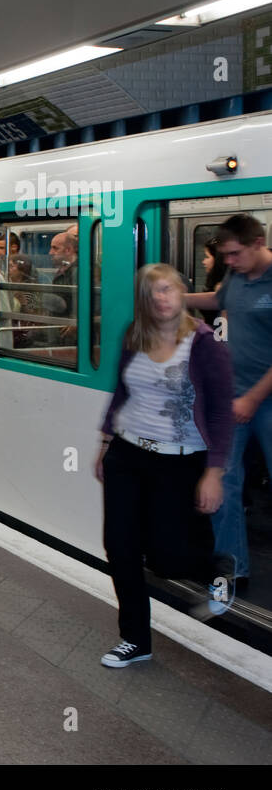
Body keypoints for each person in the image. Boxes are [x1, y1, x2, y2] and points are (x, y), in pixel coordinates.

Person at [96, 264, 233, 667]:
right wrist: (105, 442)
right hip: (127, 453)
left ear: (181, 293)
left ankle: (217, 565)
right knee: (119, 548)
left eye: (168, 289)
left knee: (167, 558)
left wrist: (214, 472)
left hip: (179, 462)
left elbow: (223, 414)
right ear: (143, 298)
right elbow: (121, 391)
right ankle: (135, 639)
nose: (161, 298)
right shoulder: (134, 336)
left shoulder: (205, 344)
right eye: (152, 292)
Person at [185, 213, 272, 589]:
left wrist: (253, 397)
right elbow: (219, 298)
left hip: (262, 400)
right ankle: (232, 569)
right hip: (234, 397)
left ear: (258, 242)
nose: (229, 263)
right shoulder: (236, 275)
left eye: (235, 254)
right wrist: (171, 296)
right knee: (224, 480)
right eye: (225, 257)